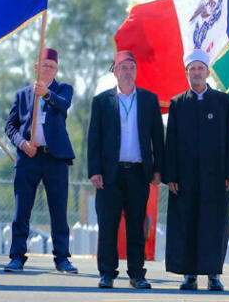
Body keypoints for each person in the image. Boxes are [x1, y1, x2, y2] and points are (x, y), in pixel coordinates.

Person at [164, 49, 229, 292]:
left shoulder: (223, 102)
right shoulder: (178, 103)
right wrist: (171, 176)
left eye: (200, 68)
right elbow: (171, 142)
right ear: (187, 72)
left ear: (208, 72)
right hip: (185, 178)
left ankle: (213, 275)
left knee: (214, 225)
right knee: (186, 223)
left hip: (215, 176)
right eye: (192, 69)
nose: (196, 73)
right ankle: (189, 275)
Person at [88, 51, 164, 289]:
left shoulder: (150, 100)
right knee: (108, 225)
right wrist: (94, 170)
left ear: (136, 71)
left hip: (139, 173)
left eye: (132, 67)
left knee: (136, 226)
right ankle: (107, 273)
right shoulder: (102, 101)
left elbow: (157, 139)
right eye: (123, 68)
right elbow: (94, 139)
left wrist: (159, 170)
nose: (128, 72)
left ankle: (137, 274)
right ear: (115, 72)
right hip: (109, 174)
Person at [4, 48, 77, 273]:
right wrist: (22, 143)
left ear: (57, 69)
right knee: (21, 209)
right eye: (44, 65)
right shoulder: (23, 94)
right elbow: (10, 127)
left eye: (52, 67)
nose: (48, 69)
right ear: (36, 67)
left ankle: (62, 258)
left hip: (55, 157)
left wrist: (46, 93)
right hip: (29, 157)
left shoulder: (63, 89)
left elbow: (63, 105)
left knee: (58, 210)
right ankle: (17, 256)